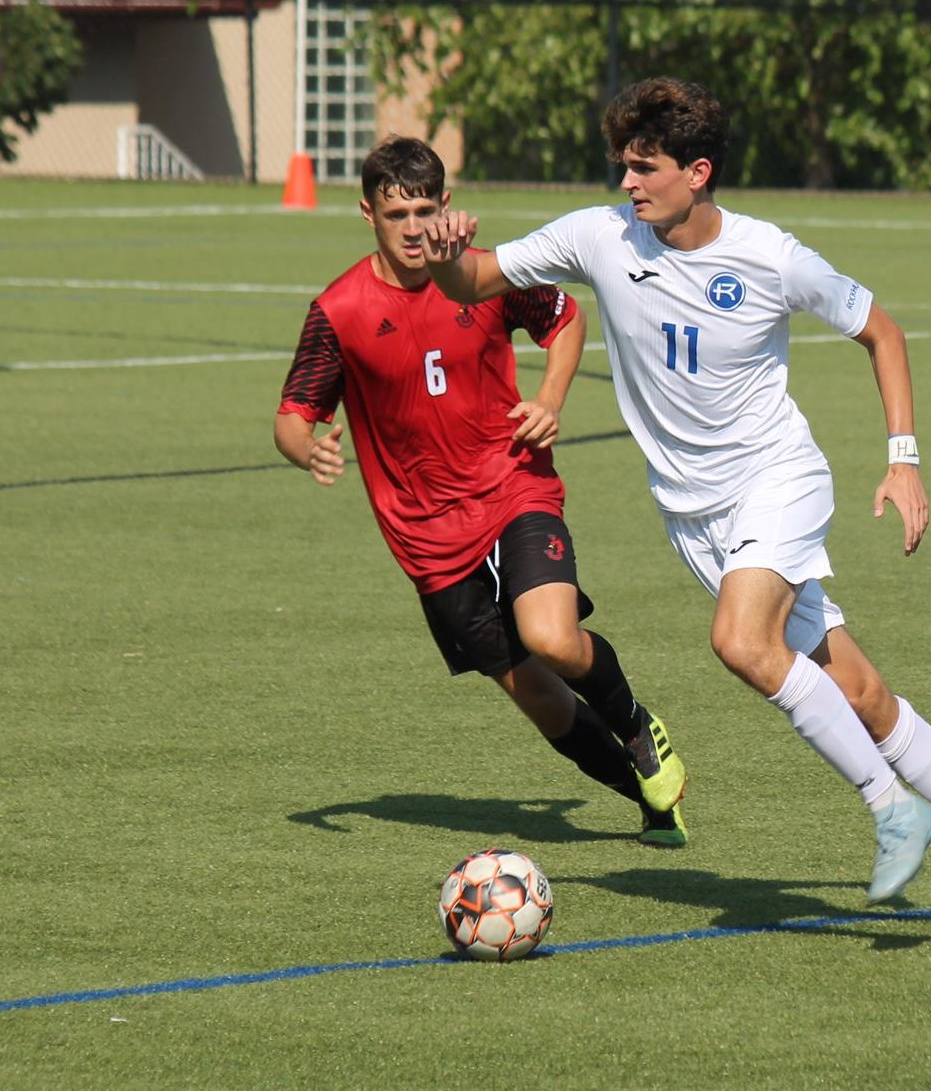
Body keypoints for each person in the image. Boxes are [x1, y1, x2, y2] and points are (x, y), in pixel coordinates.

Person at [418, 78, 931, 936]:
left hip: (778, 481)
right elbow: (472, 281)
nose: (628, 182)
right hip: (695, 519)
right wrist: (446, 252)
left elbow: (882, 332)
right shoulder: (599, 236)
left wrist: (903, 461)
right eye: (623, 165)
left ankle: (891, 804)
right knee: (860, 691)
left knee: (740, 641)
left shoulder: (770, 257)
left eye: (645, 167)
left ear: (698, 172)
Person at [274, 136, 690, 846]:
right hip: (428, 541)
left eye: (425, 211)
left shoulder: (481, 274)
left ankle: (635, 725)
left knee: (550, 636)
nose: (413, 229)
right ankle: (648, 800)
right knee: (542, 701)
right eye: (396, 214)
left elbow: (565, 320)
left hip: (513, 486)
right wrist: (305, 447)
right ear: (368, 214)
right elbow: (291, 416)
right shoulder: (339, 311)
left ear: (446, 205)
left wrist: (550, 399)